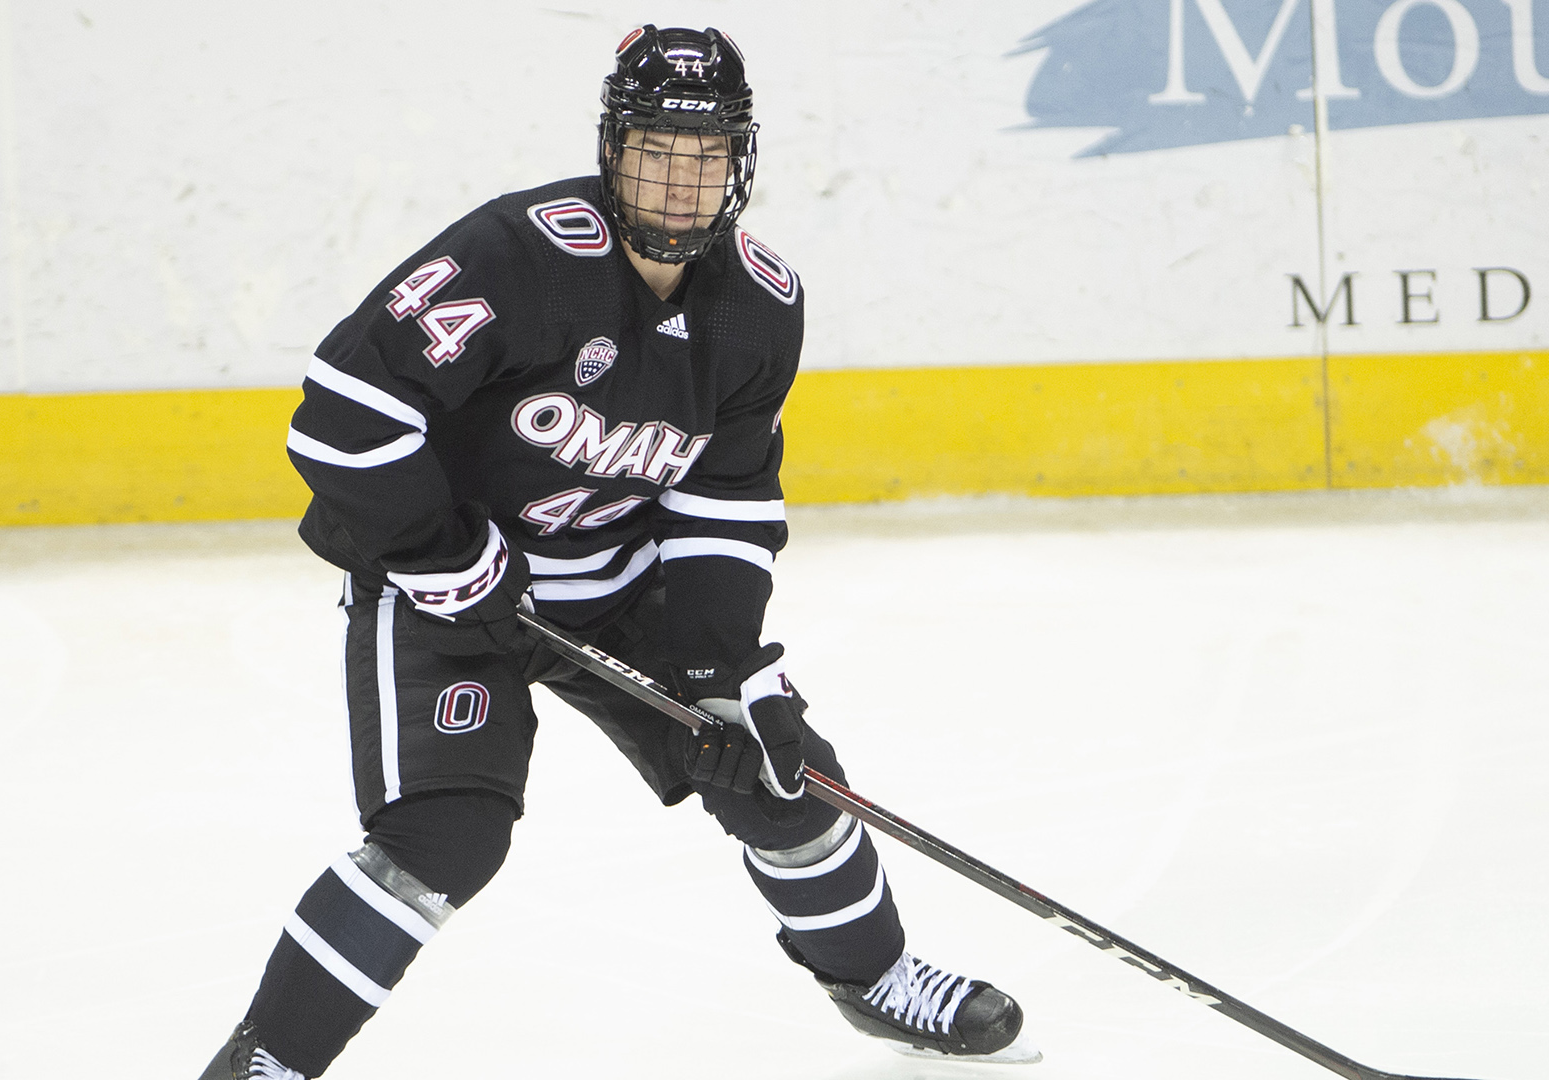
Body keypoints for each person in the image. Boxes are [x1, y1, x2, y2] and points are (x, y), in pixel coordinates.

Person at [197, 25, 1028, 1079]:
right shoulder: (514, 258)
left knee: (782, 776)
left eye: (706, 155)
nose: (680, 183)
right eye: (655, 150)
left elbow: (726, 495)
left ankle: (875, 979)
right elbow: (341, 420)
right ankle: (267, 1060)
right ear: (611, 148)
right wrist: (445, 553)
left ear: (742, 163)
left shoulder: (761, 309)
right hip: (446, 585)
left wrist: (719, 664)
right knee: (445, 835)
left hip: (617, 584)